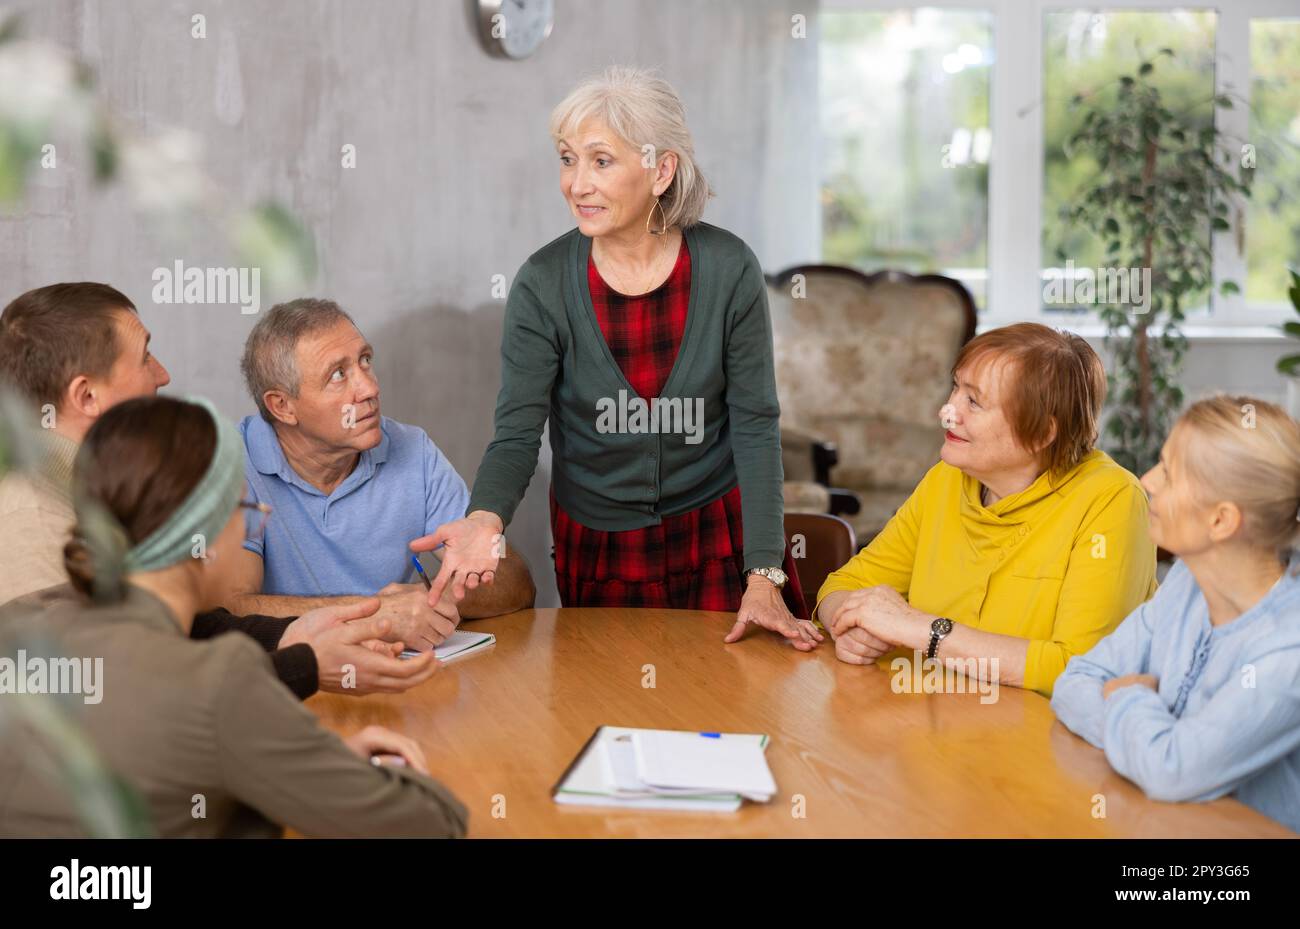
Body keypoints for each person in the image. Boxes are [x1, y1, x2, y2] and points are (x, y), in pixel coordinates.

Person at [411, 67, 816, 650]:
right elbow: (518, 432)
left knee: (732, 708)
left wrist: (763, 572)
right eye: (567, 159)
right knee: (612, 713)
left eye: (601, 161)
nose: (577, 184)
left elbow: (754, 424)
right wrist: (484, 519)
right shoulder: (542, 283)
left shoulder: (730, 269)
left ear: (662, 170)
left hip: (717, 533)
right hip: (600, 544)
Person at [0, 395, 465, 837]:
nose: (251, 527)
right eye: (243, 510)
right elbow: (431, 824)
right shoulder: (218, 682)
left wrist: (284, 761)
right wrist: (349, 773)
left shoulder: (20, 624)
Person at [0, 283, 426, 698]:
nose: (163, 375)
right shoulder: (29, 518)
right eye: (145, 357)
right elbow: (120, 694)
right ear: (87, 395)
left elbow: (181, 630)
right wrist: (306, 665)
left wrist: (293, 634)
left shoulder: (98, 490)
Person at [819, 323, 1156, 697]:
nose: (947, 412)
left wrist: (922, 630)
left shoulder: (1112, 499)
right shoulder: (945, 480)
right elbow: (843, 586)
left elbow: (1082, 668)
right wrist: (849, 626)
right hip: (934, 724)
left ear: (1042, 432)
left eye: (974, 402)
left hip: (1044, 742)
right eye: (956, 388)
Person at [1052, 396, 1300, 832]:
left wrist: (1129, 696)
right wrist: (1153, 740)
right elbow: (1074, 681)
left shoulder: (1286, 651)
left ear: (1221, 521)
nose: (1146, 480)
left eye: (1167, 472)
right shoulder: (1187, 582)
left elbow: (1172, 770)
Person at [225, 298, 536, 635]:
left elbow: (516, 583)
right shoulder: (229, 465)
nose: (370, 388)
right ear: (282, 406)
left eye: (365, 360)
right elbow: (232, 607)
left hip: (400, 676)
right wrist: (381, 614)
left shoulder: (413, 450)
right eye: (339, 374)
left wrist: (421, 600)